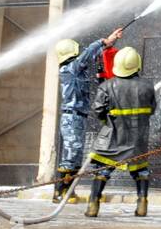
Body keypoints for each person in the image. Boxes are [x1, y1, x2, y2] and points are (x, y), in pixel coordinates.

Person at [53, 27, 124, 201]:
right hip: (72, 116)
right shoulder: (70, 69)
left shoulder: (75, 69)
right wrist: (103, 41)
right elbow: (87, 55)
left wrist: (109, 43)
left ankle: (68, 190)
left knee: (76, 153)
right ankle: (59, 191)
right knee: (71, 152)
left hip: (78, 116)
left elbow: (91, 56)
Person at [85, 45, 155, 218]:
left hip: (114, 136)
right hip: (138, 138)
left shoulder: (107, 86)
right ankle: (142, 203)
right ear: (136, 64)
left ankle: (93, 204)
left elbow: (98, 110)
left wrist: (106, 122)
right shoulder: (147, 86)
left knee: (102, 169)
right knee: (141, 170)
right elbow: (152, 110)